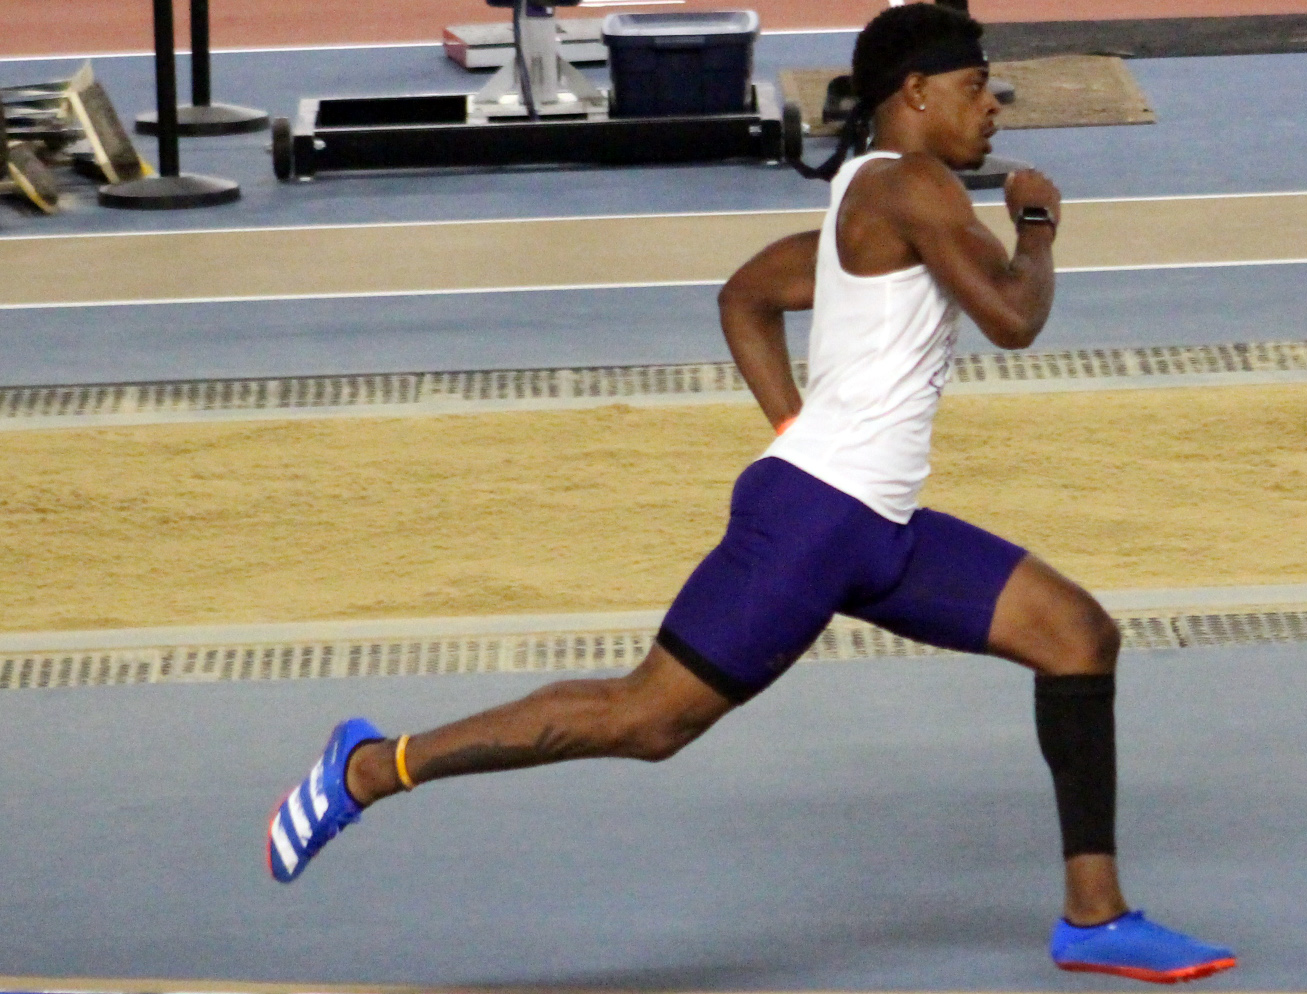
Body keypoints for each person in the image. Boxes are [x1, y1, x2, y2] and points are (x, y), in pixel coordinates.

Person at [266, 4, 1234, 984]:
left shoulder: (868, 198)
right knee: (646, 720)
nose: (993, 108)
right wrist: (1034, 224)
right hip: (816, 521)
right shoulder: (911, 185)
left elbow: (744, 294)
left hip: (873, 523)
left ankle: (1094, 915)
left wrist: (791, 429)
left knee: (1074, 634)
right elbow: (1013, 318)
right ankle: (373, 763)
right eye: (976, 87)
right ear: (916, 93)